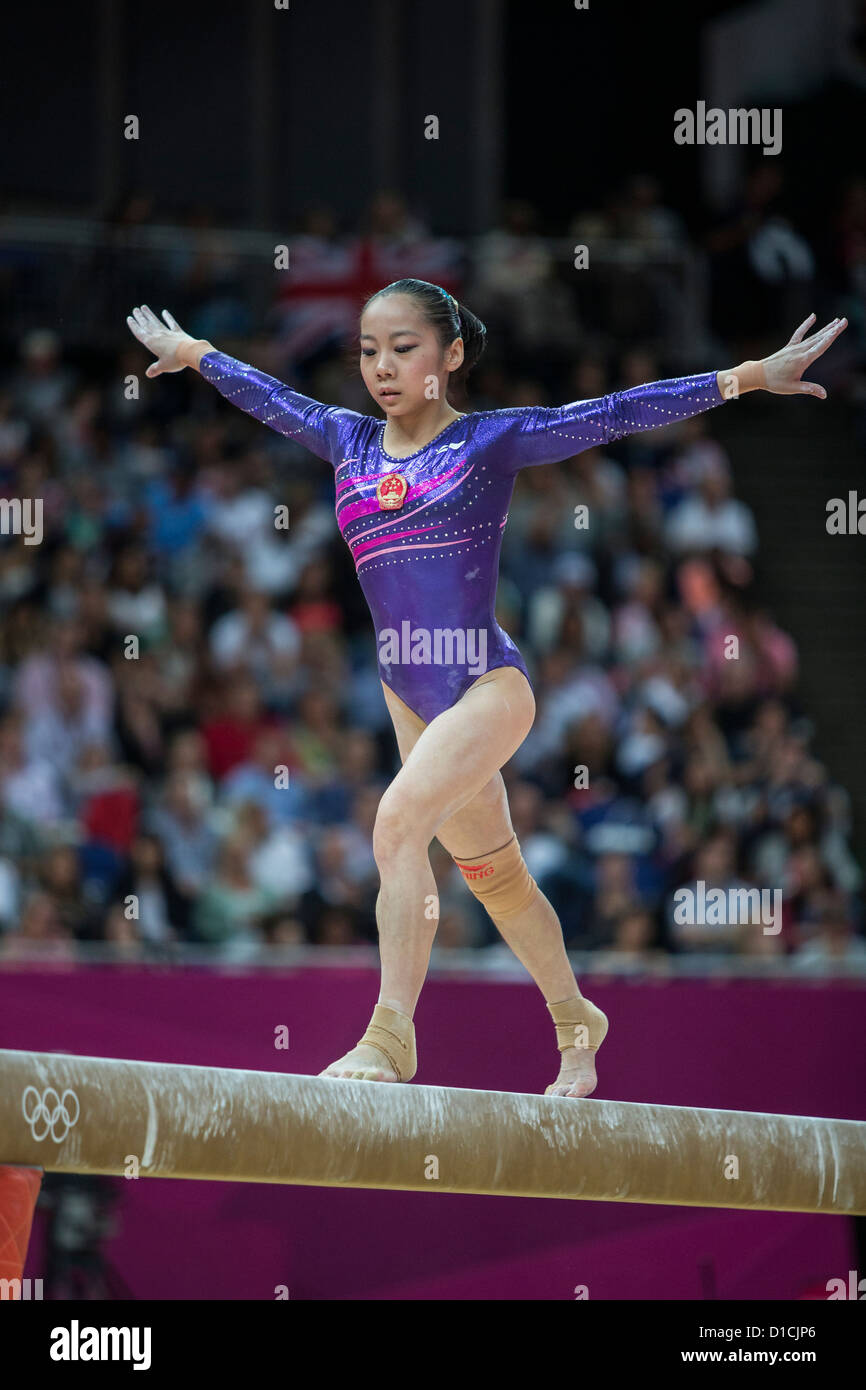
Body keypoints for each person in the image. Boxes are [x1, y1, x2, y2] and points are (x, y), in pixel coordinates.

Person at [127, 285, 846, 1098]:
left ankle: (390, 1034)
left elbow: (612, 413)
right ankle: (577, 1022)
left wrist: (748, 376)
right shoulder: (347, 440)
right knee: (495, 876)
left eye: (404, 347)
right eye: (369, 350)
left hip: (486, 686)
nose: (383, 367)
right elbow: (271, 398)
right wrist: (195, 356)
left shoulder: (488, 443)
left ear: (452, 356)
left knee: (397, 822)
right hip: (408, 694)